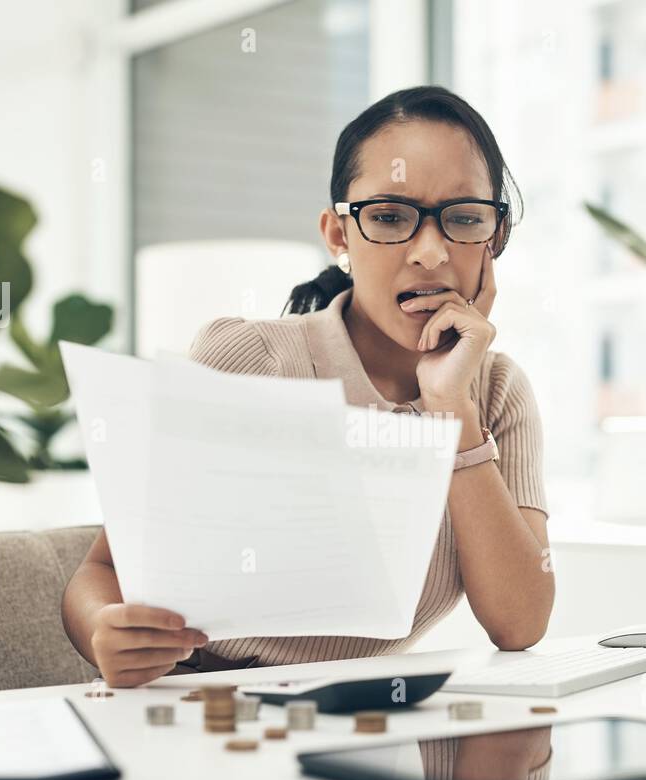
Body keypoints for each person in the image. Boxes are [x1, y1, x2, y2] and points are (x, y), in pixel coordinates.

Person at [62, 85, 554, 687]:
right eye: (390, 217)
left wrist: (451, 408)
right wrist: (104, 631)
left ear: (494, 239)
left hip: (365, 724)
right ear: (339, 234)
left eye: (464, 219)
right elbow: (101, 571)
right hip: (200, 704)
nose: (430, 253)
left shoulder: (496, 391)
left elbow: (520, 623)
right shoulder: (246, 357)